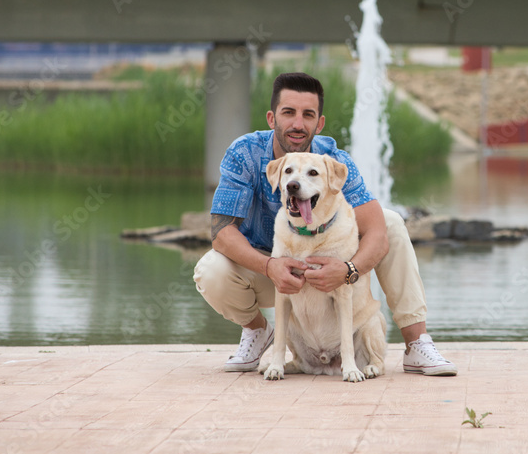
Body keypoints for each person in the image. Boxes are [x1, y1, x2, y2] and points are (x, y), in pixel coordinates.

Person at [193, 71, 457, 376]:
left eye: (308, 115)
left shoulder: (333, 159)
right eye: (288, 113)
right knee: (210, 269)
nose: (297, 124)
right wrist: (270, 267)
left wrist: (349, 271)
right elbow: (221, 233)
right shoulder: (244, 154)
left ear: (319, 123)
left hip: (325, 272)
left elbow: (376, 230)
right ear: (271, 118)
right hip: (268, 272)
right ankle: (257, 330)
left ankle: (416, 344)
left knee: (392, 222)